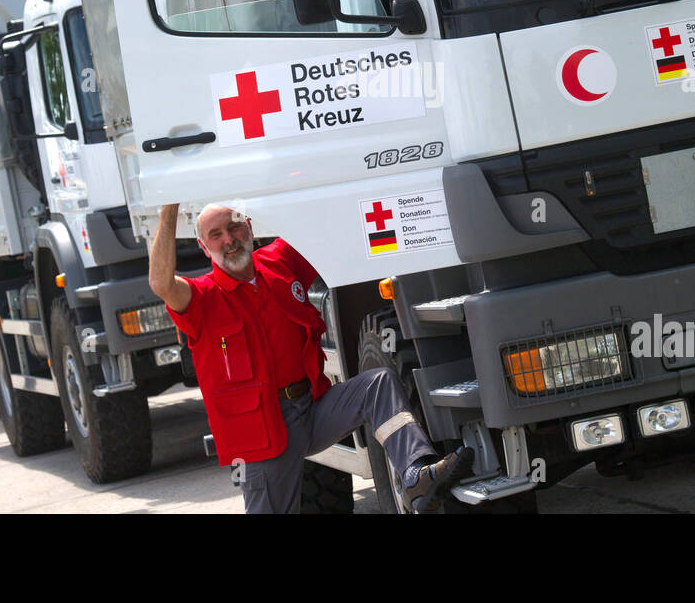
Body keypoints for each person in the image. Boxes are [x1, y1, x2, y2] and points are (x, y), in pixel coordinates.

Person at [148, 202, 472, 513]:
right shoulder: (202, 298)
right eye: (216, 235)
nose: (228, 239)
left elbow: (317, 221)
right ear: (205, 248)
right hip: (261, 434)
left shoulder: (278, 262)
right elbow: (161, 284)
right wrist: (168, 209)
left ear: (248, 228)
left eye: (234, 227)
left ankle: (415, 474)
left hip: (311, 410)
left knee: (378, 384)